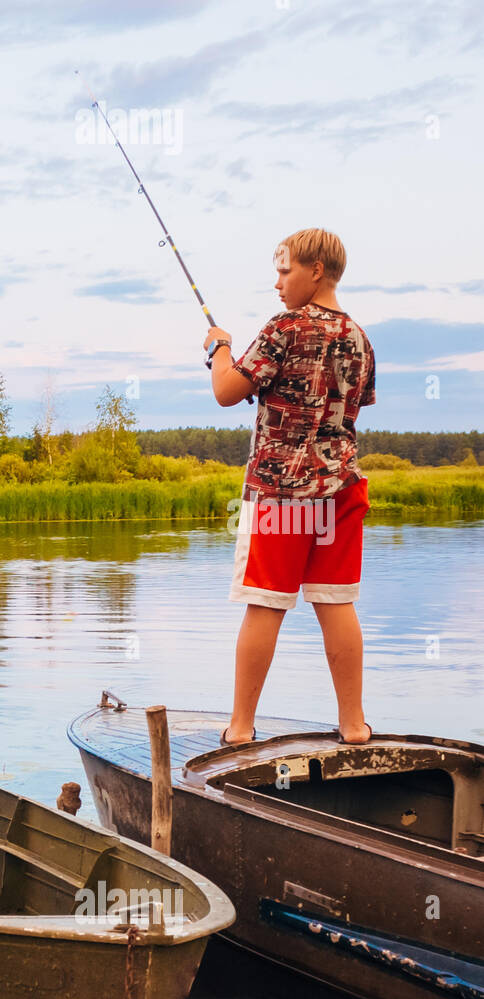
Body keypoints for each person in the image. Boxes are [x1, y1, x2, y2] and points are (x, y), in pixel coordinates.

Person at [203, 227, 376, 747]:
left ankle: (240, 728)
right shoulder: (359, 338)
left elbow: (226, 392)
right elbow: (354, 405)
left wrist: (220, 349)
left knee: (265, 603)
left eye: (285, 271)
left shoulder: (283, 327)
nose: (278, 283)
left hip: (282, 492)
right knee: (336, 602)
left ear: (315, 270)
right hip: (342, 489)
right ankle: (353, 725)